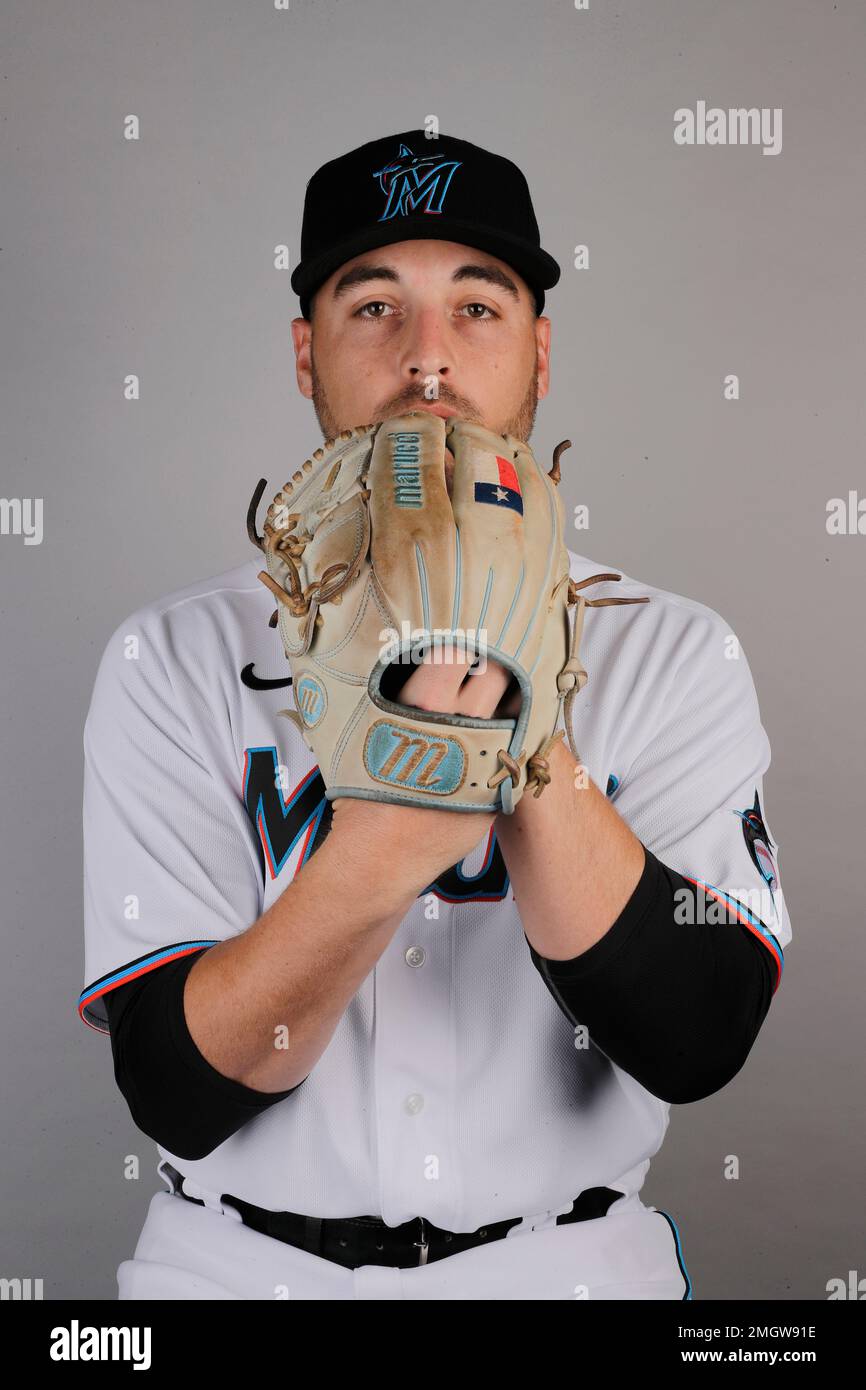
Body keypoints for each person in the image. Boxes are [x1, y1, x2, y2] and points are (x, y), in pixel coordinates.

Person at [80, 129, 790, 1300]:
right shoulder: (172, 658)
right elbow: (180, 1095)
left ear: (537, 352)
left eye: (477, 306)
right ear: (304, 354)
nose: (425, 361)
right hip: (238, 1272)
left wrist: (529, 722)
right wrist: (402, 827)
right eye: (372, 307)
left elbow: (694, 1038)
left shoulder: (671, 650)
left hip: (568, 1273)